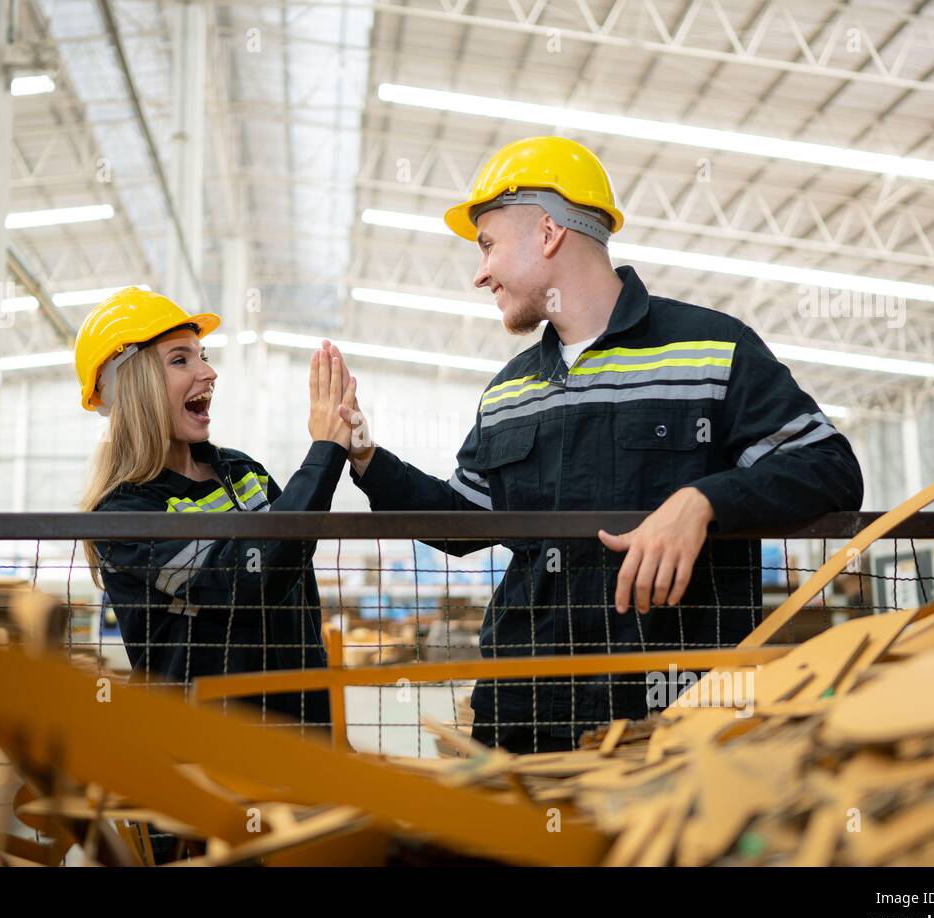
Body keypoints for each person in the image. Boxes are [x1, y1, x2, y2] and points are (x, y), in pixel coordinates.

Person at [333, 135, 864, 753]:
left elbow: (829, 467)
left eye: (488, 245)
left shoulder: (711, 349)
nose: (479, 273)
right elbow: (463, 521)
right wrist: (364, 454)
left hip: (671, 718)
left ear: (550, 233)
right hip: (525, 706)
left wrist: (704, 501)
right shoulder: (510, 390)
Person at [76, 286, 356, 732]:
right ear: (135, 386)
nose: (209, 372)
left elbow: (294, 578)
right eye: (181, 359)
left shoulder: (244, 472)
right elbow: (249, 582)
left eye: (202, 355)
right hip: (207, 754)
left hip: (303, 732)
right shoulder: (125, 515)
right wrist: (324, 453)